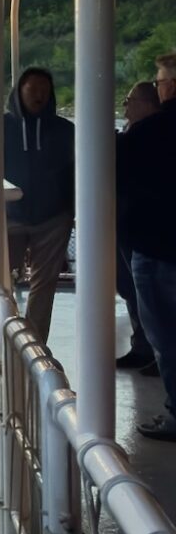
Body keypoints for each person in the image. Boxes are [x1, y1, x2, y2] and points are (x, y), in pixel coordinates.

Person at [0, 66, 74, 343]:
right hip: (9, 215)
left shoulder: (65, 131)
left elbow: (77, 172)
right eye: (32, 89)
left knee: (45, 283)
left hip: (54, 218)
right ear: (19, 92)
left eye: (44, 90)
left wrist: (72, 210)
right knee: (0, 277)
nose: (39, 95)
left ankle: (36, 344)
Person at [123, 54, 176, 439]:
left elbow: (115, 180)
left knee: (167, 338)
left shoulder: (148, 133)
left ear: (170, 85)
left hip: (157, 247)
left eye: (159, 82)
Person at [118, 79, 162, 372]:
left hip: (142, 230)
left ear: (146, 105)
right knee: (131, 288)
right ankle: (144, 346)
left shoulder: (144, 140)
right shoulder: (131, 136)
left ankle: (152, 351)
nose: (125, 109)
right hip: (129, 225)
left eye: (128, 102)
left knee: (144, 291)